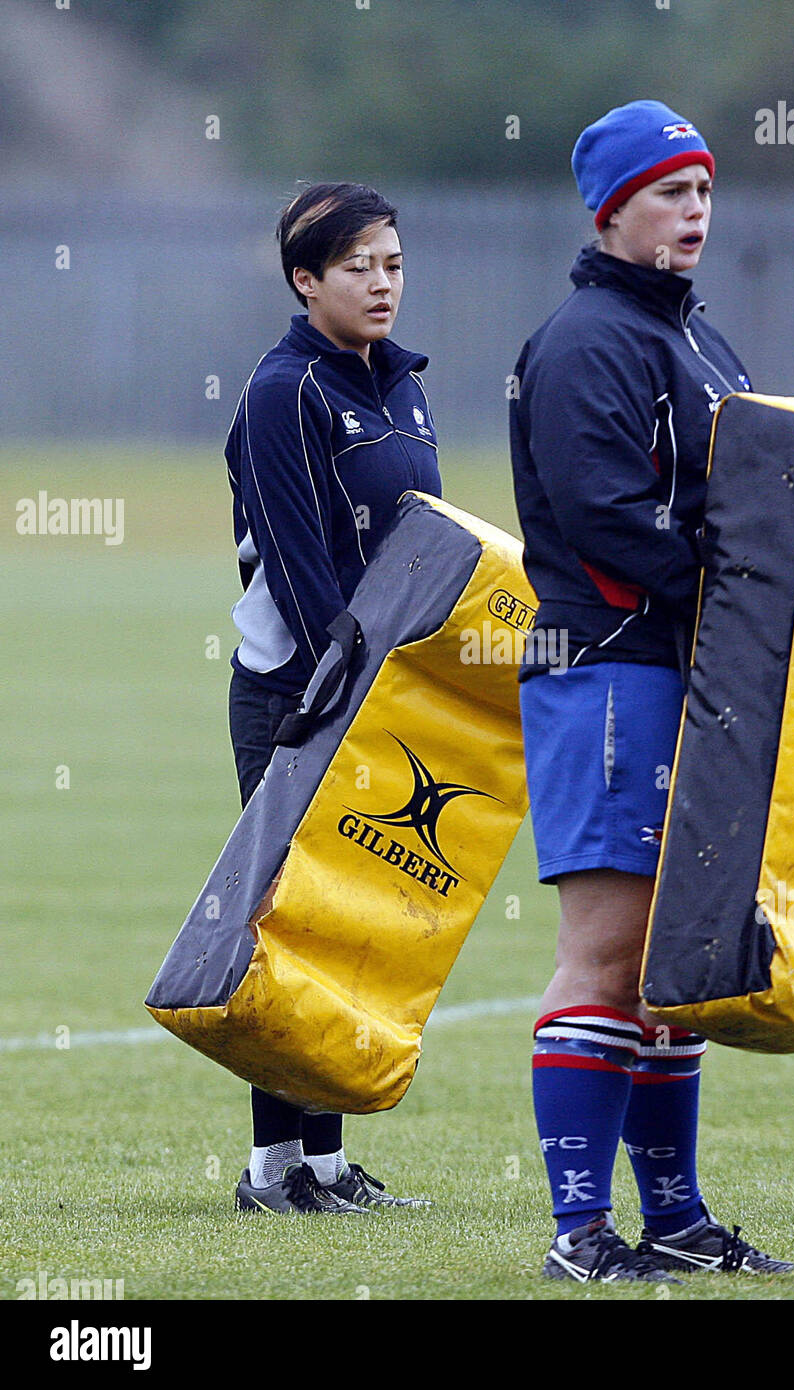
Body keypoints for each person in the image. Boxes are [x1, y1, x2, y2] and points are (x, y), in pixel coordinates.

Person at [510, 100, 794, 1279]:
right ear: (613, 207)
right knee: (608, 950)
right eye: (668, 193)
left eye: (701, 191)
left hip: (684, 675)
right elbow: (604, 518)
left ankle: (675, 1225)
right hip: (611, 674)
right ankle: (580, 1235)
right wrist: (724, 598)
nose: (693, 212)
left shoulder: (695, 337)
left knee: (674, 961)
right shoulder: (589, 339)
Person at [225, 182, 437, 1215]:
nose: (381, 282)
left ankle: (322, 1165)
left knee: (346, 923)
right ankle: (273, 1167)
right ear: (305, 280)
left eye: (392, 262)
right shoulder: (281, 391)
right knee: (286, 925)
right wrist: (345, 691)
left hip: (379, 691)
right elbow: (305, 574)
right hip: (296, 697)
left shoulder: (404, 387)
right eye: (357, 266)